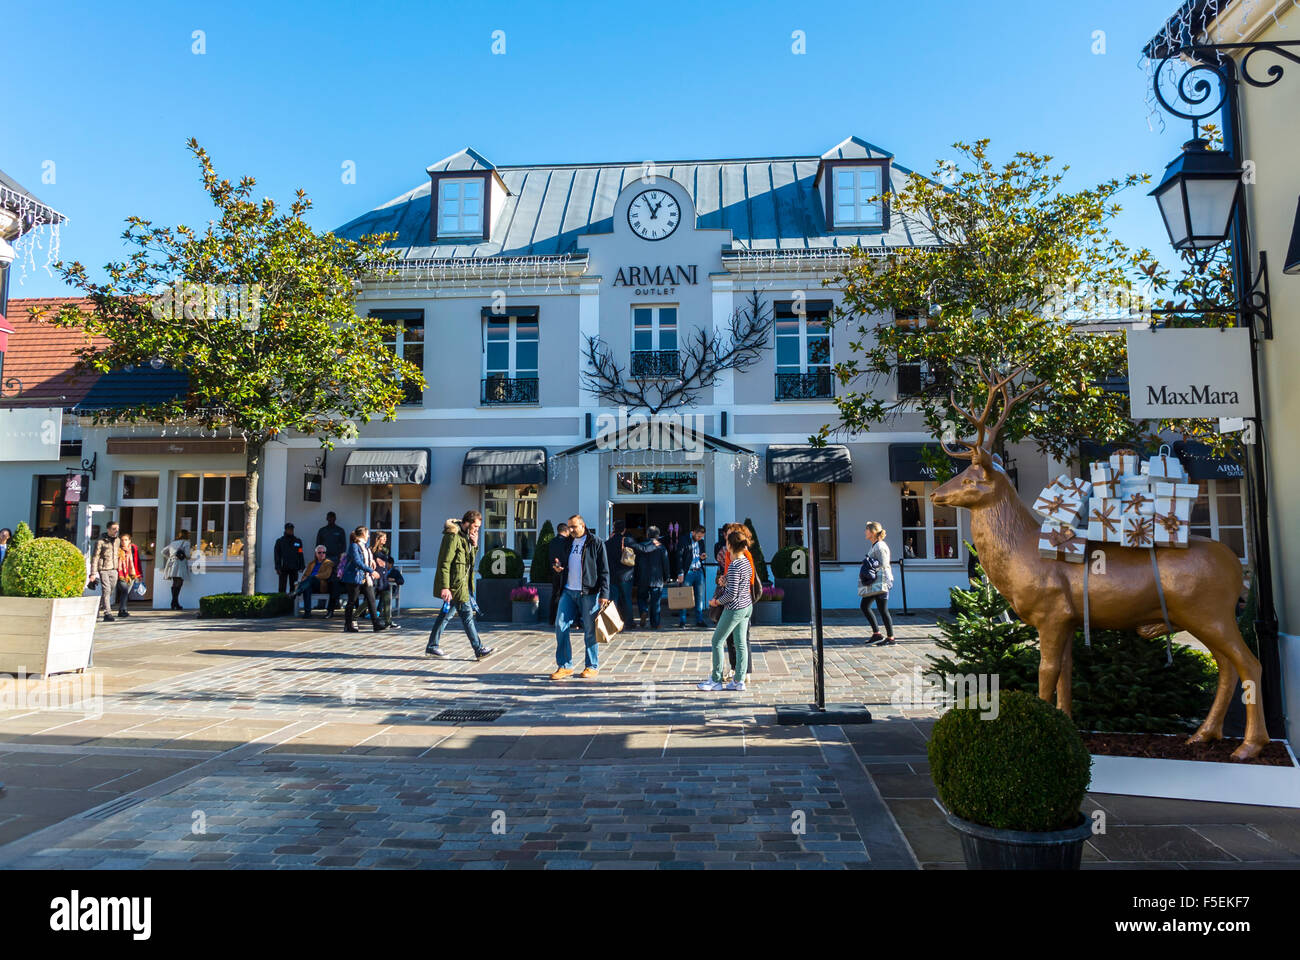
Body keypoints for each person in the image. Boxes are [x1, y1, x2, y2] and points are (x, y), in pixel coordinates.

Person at [550, 514, 610, 680]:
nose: (570, 530)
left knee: (590, 630)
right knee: (560, 625)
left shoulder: (595, 542)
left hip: (589, 592)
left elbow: (604, 570)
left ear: (583, 526)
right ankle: (565, 665)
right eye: (569, 527)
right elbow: (563, 563)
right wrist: (558, 567)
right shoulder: (567, 543)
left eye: (574, 527)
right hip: (568, 590)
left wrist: (604, 593)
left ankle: (591, 666)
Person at [427, 511, 493, 659]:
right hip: (455, 586)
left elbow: (469, 562)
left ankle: (432, 646)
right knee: (467, 616)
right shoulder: (452, 536)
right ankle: (479, 648)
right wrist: (445, 587)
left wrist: (474, 545)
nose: (477, 529)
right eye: (475, 526)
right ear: (467, 523)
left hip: (463, 585)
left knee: (445, 616)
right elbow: (445, 562)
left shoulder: (465, 537)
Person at [699, 529, 756, 692]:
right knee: (741, 644)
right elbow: (741, 585)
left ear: (730, 545)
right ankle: (739, 680)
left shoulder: (734, 565)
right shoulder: (746, 561)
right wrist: (726, 582)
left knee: (716, 641)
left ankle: (716, 679)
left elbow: (731, 594)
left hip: (734, 608)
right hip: (747, 606)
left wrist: (716, 602)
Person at [341, 525, 383, 634]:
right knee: (352, 601)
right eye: (367, 533)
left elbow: (367, 557)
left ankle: (376, 624)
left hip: (366, 578)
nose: (369, 536)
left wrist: (372, 561)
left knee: (371, 600)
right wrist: (371, 571)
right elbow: (357, 562)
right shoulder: (354, 546)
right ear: (363, 534)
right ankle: (348, 624)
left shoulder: (366, 547)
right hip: (354, 578)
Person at [861, 521, 897, 646]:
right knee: (865, 606)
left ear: (872, 532)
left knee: (882, 609)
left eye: (866, 530)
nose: (865, 532)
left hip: (881, 582)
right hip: (875, 581)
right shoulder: (875, 545)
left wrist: (887, 582)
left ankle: (890, 637)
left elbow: (883, 564)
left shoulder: (880, 546)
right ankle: (877, 634)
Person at [633, 525, 669, 630]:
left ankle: (643, 610)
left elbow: (636, 563)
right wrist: (667, 577)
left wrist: (635, 577)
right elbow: (665, 563)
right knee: (656, 602)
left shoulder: (641, 546)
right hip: (657, 579)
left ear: (647, 535)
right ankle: (655, 623)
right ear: (658, 536)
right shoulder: (661, 547)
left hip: (642, 578)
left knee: (641, 598)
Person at [674, 524, 708, 629]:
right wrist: (680, 573)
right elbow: (679, 556)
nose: (699, 538)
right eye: (698, 536)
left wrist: (702, 557)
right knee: (684, 596)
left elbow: (700, 555)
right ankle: (682, 621)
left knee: (699, 597)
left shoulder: (701, 542)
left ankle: (699, 620)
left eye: (701, 537)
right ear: (693, 532)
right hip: (687, 572)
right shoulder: (684, 540)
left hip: (699, 571)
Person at [604, 519, 636, 626]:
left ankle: (614, 622)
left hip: (612, 575)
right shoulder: (629, 541)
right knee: (627, 599)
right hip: (626, 575)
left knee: (614, 600)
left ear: (613, 529)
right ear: (624, 530)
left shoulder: (607, 543)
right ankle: (629, 622)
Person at [316, 511, 347, 617]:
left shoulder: (340, 531)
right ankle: (321, 603)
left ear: (335, 518)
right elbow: (318, 546)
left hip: (336, 559)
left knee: (335, 582)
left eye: (332, 518)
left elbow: (343, 546)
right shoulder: (322, 531)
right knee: (323, 580)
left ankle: (335, 603)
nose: (331, 520)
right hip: (325, 559)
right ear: (327, 518)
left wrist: (341, 560)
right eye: (329, 518)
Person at [294, 545, 335, 617]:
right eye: (319, 552)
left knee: (311, 578)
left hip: (321, 585)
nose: (322, 554)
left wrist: (314, 576)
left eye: (323, 552)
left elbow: (327, 575)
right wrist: (306, 578)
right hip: (310, 584)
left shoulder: (329, 563)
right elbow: (305, 575)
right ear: (316, 554)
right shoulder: (311, 563)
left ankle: (297, 591)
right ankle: (307, 613)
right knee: (307, 587)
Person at [114, 533, 143, 617]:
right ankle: (122, 610)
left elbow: (137, 561)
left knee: (126, 592)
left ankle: (123, 610)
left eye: (126, 540)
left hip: (131, 573)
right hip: (120, 573)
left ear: (129, 541)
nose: (124, 542)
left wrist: (139, 574)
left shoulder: (133, 548)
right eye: (122, 540)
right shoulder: (117, 549)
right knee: (124, 590)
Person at [160, 534, 191, 610]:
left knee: (175, 582)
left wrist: (170, 557)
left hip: (171, 563)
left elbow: (163, 552)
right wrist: (189, 556)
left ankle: (174, 602)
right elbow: (187, 554)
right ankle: (174, 602)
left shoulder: (173, 543)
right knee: (179, 582)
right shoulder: (186, 542)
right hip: (180, 563)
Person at [547, 521, 569, 626]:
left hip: (554, 570)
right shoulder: (566, 542)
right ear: (566, 531)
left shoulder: (552, 542)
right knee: (564, 595)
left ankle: (552, 619)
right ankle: (562, 618)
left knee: (555, 594)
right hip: (564, 571)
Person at [374, 555, 403, 630]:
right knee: (371, 596)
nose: (386, 565)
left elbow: (401, 581)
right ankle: (372, 613)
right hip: (379, 589)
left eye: (387, 563)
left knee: (384, 595)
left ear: (390, 564)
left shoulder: (395, 572)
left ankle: (378, 612)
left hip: (389, 589)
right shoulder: (383, 570)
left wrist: (393, 579)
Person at [274, 523, 305, 594]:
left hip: (294, 567)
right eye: (289, 529)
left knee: (294, 587)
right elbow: (277, 555)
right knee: (282, 587)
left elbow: (300, 553)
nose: (290, 531)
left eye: (292, 529)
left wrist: (302, 566)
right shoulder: (280, 541)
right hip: (283, 567)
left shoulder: (298, 541)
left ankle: (292, 603)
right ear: (285, 530)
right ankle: (282, 603)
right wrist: (277, 567)